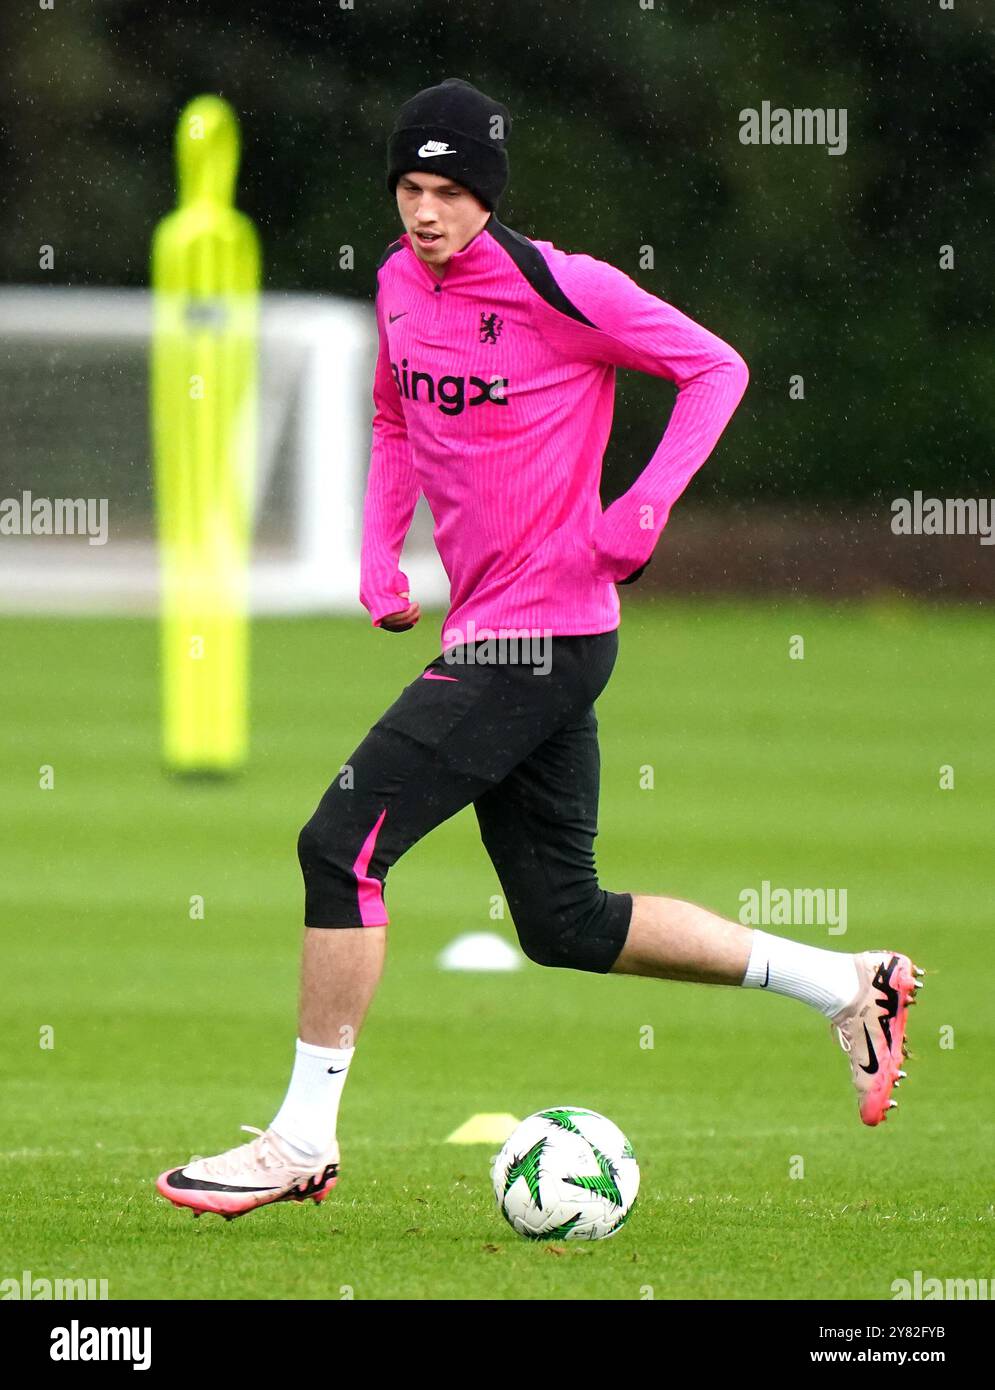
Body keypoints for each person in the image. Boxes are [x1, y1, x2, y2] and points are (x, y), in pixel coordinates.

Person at [157, 78, 923, 1221]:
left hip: (544, 635)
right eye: (409, 189)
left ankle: (298, 1139)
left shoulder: (565, 287)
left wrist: (643, 506)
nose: (424, 212)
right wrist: (379, 552)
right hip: (495, 629)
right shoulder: (395, 283)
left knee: (340, 845)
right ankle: (844, 981)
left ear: (487, 194)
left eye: (448, 191)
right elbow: (390, 417)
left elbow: (718, 369)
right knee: (564, 921)